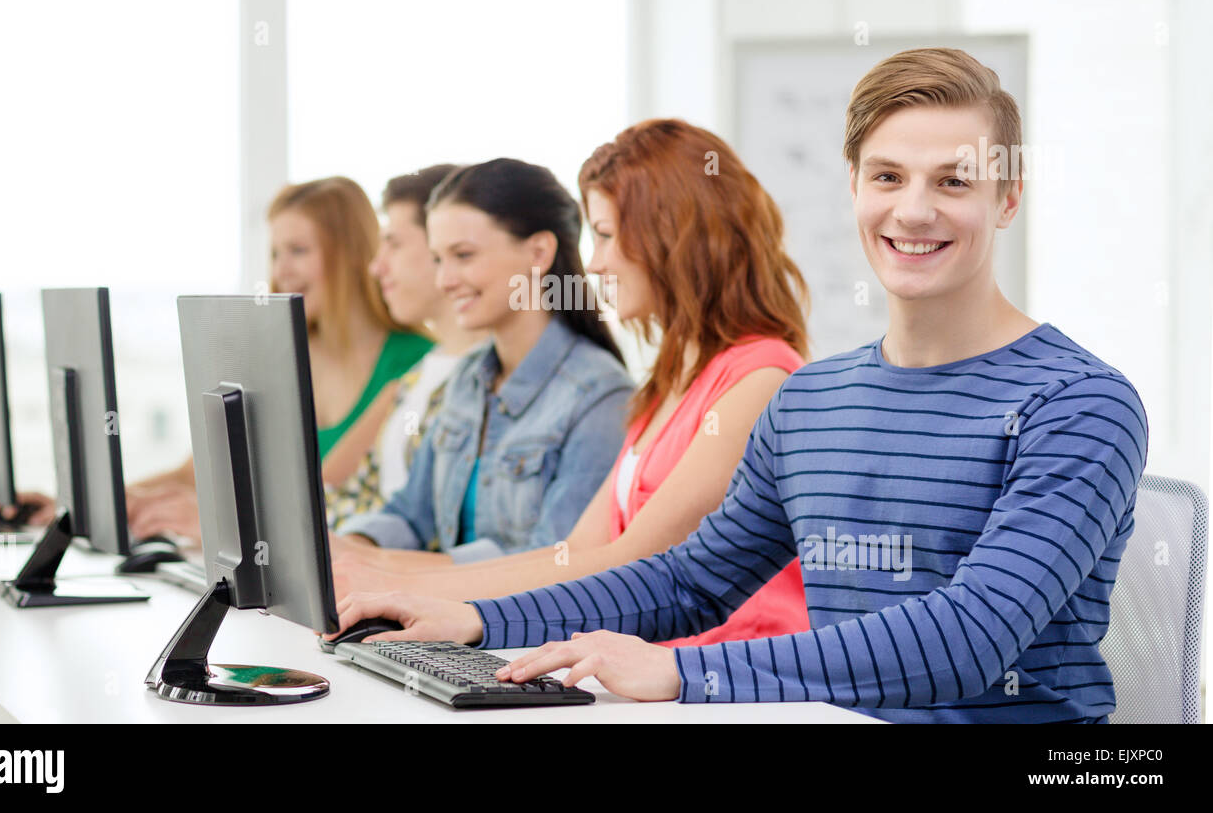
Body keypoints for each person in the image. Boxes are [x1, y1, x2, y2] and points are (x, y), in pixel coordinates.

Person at [333, 49, 1148, 724]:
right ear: (856, 189)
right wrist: (478, 621)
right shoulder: (813, 400)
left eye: (955, 182)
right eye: (888, 177)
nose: (916, 210)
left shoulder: (1080, 405)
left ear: (1007, 198)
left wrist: (686, 675)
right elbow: (691, 580)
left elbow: (969, 637)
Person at [332, 119, 812, 646]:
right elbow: (580, 552)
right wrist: (395, 585)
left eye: (605, 235)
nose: (594, 262)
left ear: (672, 233)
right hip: (648, 675)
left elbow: (632, 563)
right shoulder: (669, 383)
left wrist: (407, 585)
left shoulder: (761, 377)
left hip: (726, 689)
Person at [7, 176, 432, 541]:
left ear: (352, 254)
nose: (282, 270)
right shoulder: (276, 359)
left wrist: (195, 516)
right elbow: (198, 472)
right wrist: (81, 506)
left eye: (299, 250)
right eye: (275, 253)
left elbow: (317, 495)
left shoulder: (416, 365)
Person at [333, 158, 634, 565]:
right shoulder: (467, 377)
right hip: (442, 616)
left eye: (463, 255)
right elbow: (410, 516)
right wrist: (344, 552)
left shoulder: (600, 396)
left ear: (539, 252)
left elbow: (556, 561)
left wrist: (396, 571)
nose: (445, 280)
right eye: (439, 260)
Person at [323, 165, 486, 529]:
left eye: (393, 244)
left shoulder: (490, 377)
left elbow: (421, 528)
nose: (376, 267)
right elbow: (339, 492)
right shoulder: (417, 376)